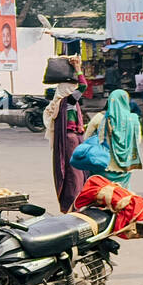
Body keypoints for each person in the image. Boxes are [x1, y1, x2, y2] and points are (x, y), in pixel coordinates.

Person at [81, 88, 143, 188]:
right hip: (125, 167)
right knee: (123, 194)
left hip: (102, 166)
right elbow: (137, 141)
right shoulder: (134, 119)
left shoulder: (99, 117)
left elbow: (86, 138)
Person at [45, 70, 87, 211]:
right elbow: (83, 86)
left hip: (70, 137)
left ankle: (74, 202)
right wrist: (78, 69)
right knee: (75, 173)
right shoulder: (68, 100)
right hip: (71, 139)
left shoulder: (59, 102)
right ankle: (75, 203)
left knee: (71, 172)